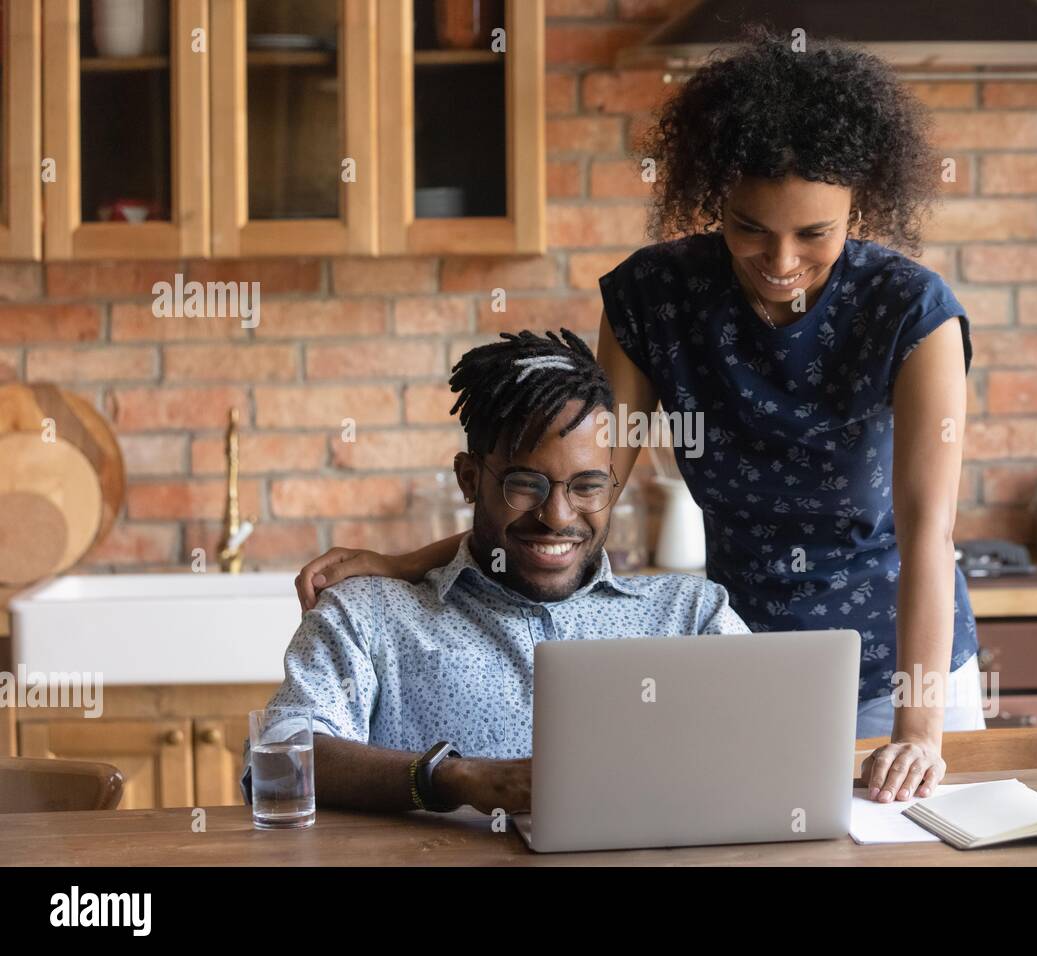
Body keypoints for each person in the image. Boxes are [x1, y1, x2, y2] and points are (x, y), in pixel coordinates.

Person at [295, 28, 983, 805]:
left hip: (902, 671)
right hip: (734, 660)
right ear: (712, 197)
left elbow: (930, 534)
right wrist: (402, 564)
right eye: (750, 227)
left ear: (861, 205)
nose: (781, 260)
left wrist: (918, 730)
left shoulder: (912, 314)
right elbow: (582, 494)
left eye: (814, 234)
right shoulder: (655, 297)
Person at [260, 329, 749, 816]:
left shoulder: (691, 616)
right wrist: (456, 778)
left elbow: (783, 744)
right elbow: (282, 763)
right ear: (469, 479)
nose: (558, 516)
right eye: (526, 485)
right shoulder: (367, 615)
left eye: (587, 486)